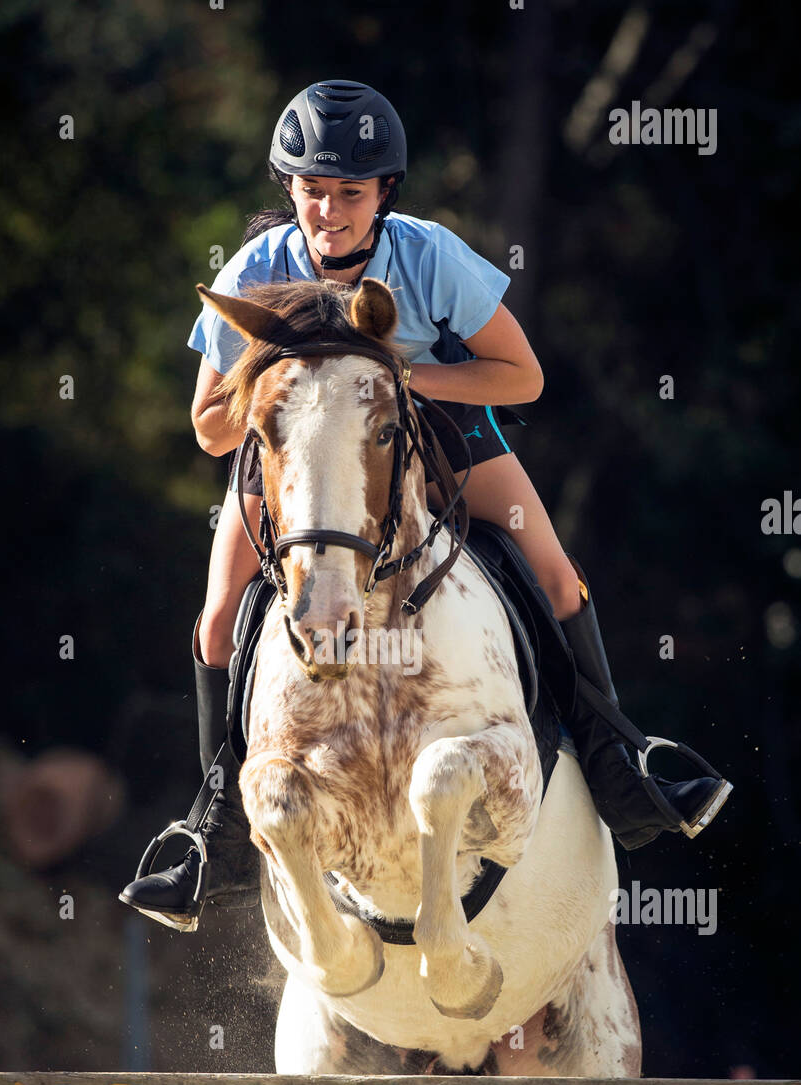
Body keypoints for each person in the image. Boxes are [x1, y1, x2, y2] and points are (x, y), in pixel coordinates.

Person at [120, 79, 730, 928]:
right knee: (219, 618)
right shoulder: (253, 270)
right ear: (288, 185)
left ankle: (626, 761)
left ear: (385, 193)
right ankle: (210, 829)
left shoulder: (428, 254)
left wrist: (393, 383)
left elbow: (523, 376)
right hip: (297, 458)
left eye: (350, 193)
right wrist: (283, 382)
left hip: (438, 433)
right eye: (311, 189)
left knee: (555, 576)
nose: (328, 210)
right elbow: (210, 430)